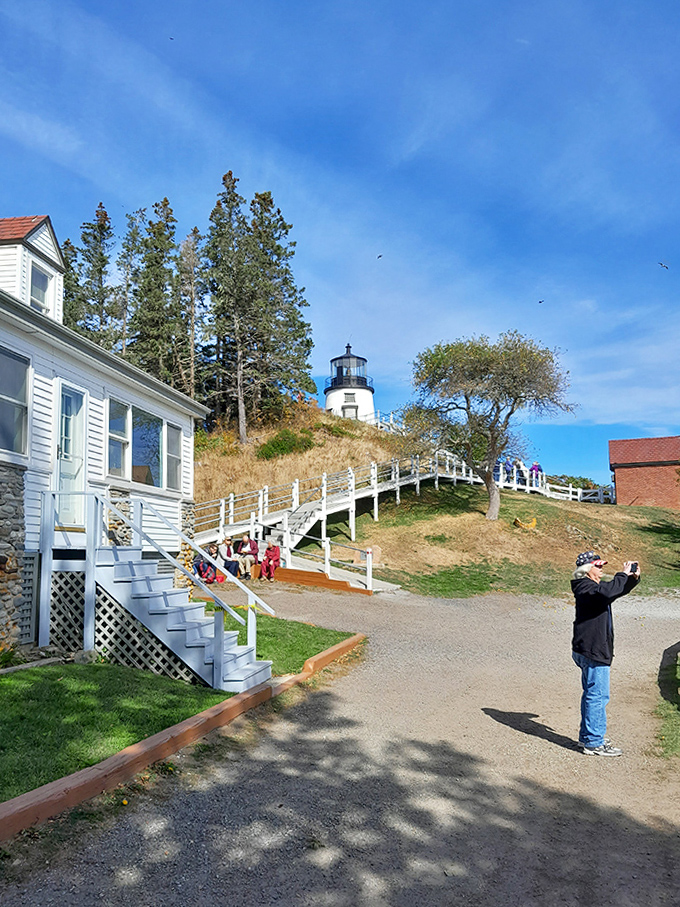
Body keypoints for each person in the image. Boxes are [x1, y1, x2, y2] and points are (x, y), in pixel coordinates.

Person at [571, 551, 640, 756]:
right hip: (593, 650)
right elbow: (608, 592)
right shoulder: (586, 587)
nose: (601, 570)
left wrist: (632, 579)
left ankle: (588, 737)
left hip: (590, 648)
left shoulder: (591, 588)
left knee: (592, 695)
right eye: (598, 566)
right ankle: (594, 742)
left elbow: (613, 591)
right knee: (598, 696)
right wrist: (622, 574)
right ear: (586, 569)